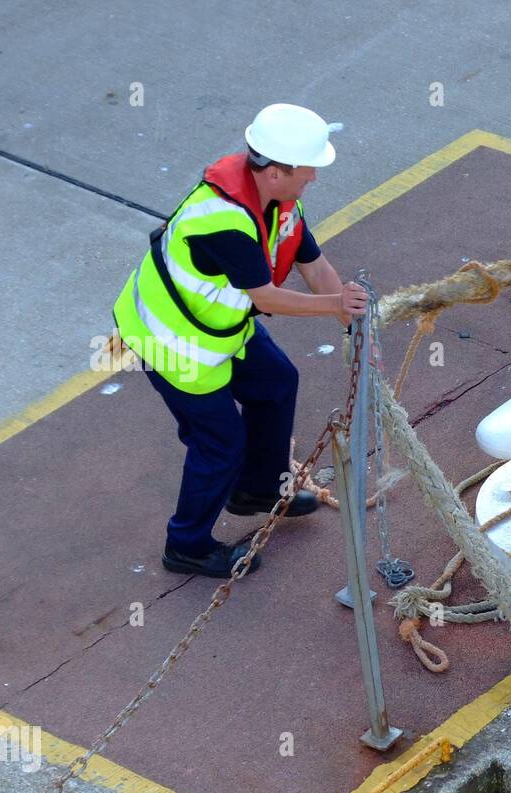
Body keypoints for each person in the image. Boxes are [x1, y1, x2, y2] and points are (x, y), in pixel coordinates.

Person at [112, 103, 367, 578]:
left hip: (219, 327)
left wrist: (348, 319)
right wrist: (336, 307)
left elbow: (313, 264)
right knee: (218, 445)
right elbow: (267, 296)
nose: (313, 176)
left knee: (277, 382)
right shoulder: (224, 221)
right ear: (274, 172)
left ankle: (257, 489)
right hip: (173, 343)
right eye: (308, 168)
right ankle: (185, 546)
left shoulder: (278, 203)